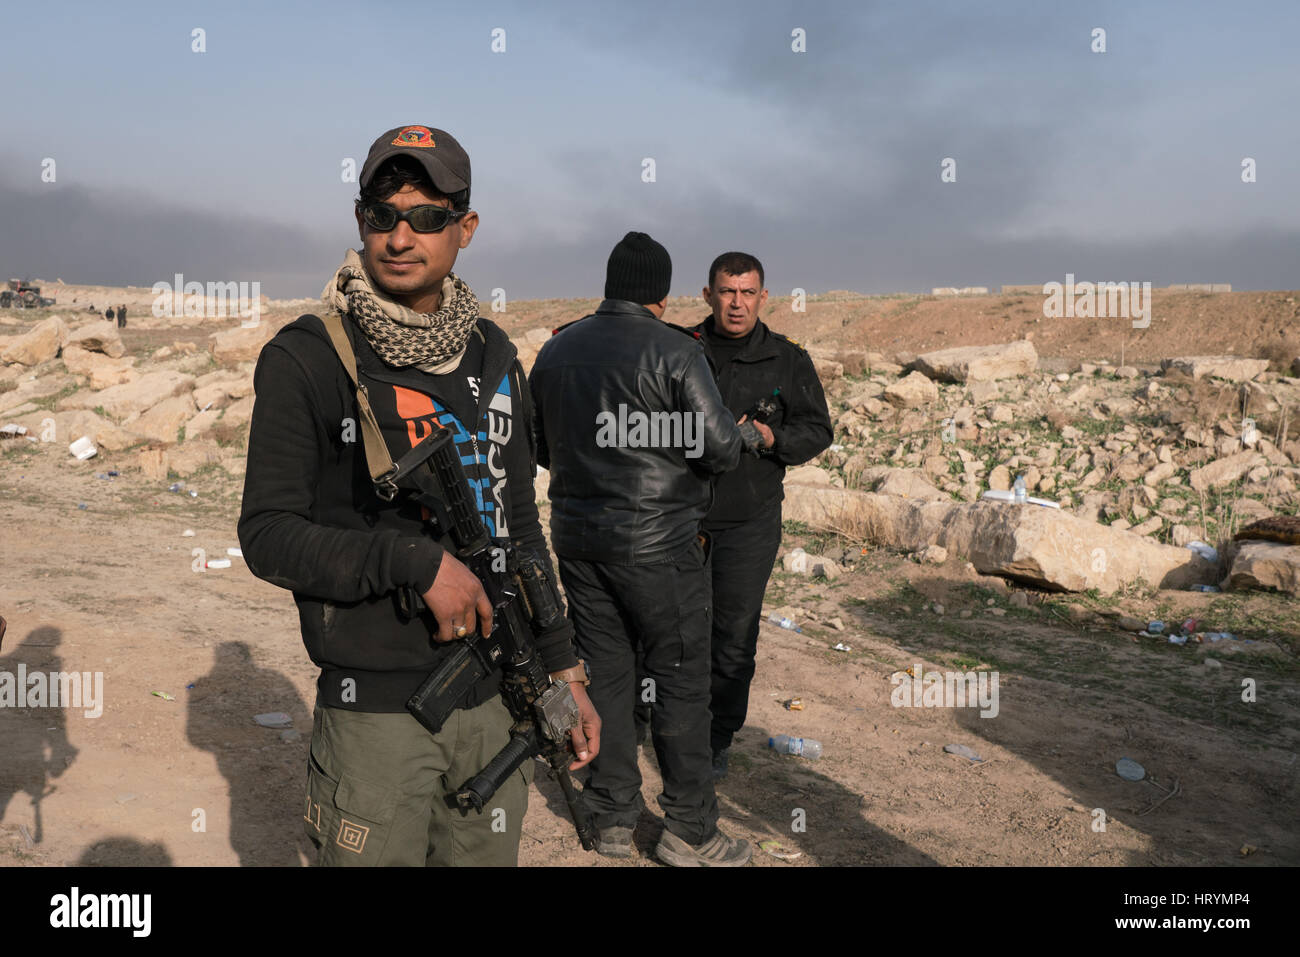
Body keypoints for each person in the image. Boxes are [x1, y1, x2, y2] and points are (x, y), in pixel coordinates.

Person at [238, 125, 598, 867]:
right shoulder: (309, 357)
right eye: (382, 214)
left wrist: (565, 675)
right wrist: (415, 563)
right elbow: (268, 532)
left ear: (465, 227)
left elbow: (519, 522)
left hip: (500, 699)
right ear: (360, 220)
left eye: (426, 216)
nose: (401, 235)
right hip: (377, 717)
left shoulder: (496, 353)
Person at [529, 232, 757, 867]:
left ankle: (611, 817)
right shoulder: (677, 351)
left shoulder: (557, 349)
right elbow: (718, 449)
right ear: (662, 293)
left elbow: (541, 449)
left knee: (607, 673)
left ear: (609, 285)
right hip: (661, 545)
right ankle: (689, 831)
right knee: (681, 680)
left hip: (578, 542)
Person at [690, 252, 833, 779]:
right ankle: (665, 725)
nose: (736, 303)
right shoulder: (684, 350)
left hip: (749, 522)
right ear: (708, 295)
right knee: (675, 629)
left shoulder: (787, 360)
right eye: (727, 292)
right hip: (682, 518)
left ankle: (717, 738)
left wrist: (773, 438)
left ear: (763, 298)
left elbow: (819, 430)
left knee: (732, 634)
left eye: (747, 293)